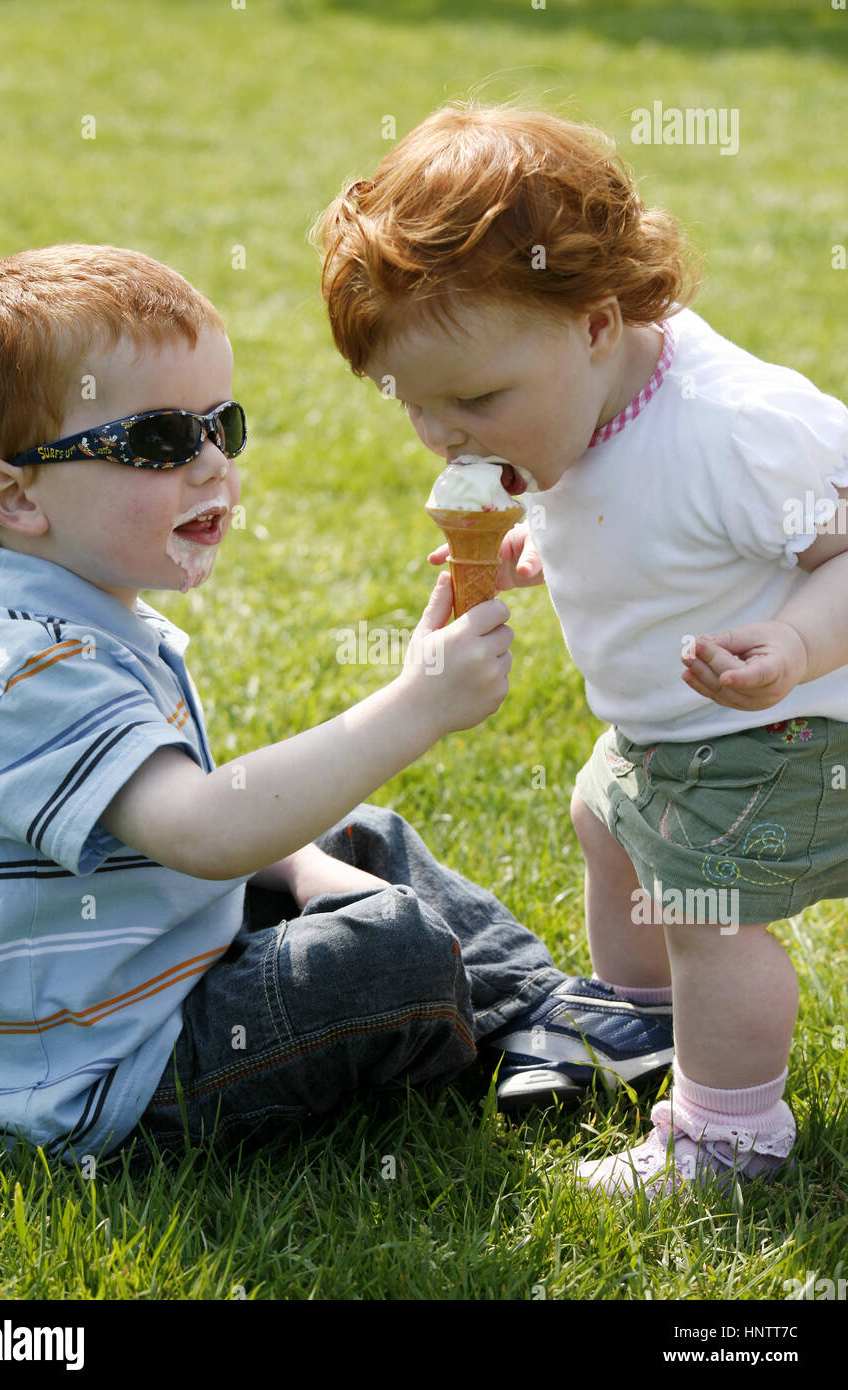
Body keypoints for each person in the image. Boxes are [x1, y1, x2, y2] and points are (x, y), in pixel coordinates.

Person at [0, 243, 673, 1170]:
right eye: (159, 442)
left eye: (221, 426)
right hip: (104, 1083)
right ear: (15, 497)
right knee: (388, 951)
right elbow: (201, 832)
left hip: (155, 971)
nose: (210, 467)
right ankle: (500, 1021)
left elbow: (193, 822)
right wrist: (413, 708)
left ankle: (539, 1009)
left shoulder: (76, 617)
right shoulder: (27, 670)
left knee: (359, 835)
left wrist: (305, 868)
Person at [314, 103, 848, 1197]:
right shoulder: (581, 407)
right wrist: (534, 546)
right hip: (682, 727)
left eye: (474, 399)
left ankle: (726, 1139)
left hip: (791, 722)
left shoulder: (733, 429)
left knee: (707, 912)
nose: (443, 434)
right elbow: (627, 510)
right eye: (414, 406)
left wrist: (796, 641)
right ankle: (642, 1023)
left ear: (598, 322)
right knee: (605, 819)